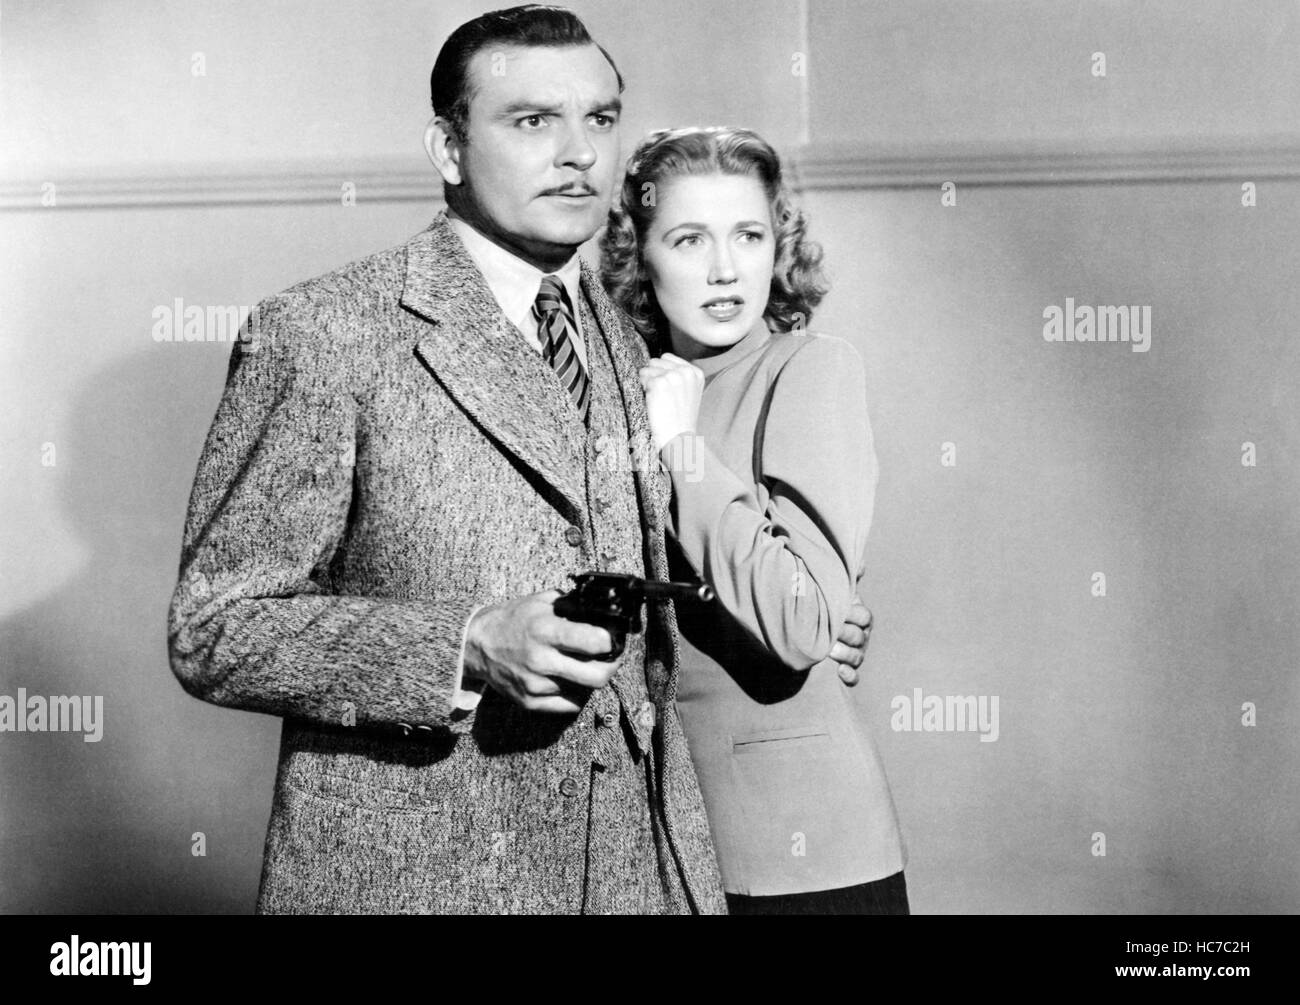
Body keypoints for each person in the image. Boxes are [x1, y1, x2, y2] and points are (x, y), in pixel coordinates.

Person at [167, 7, 869, 914]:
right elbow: (215, 627)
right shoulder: (324, 331)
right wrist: (460, 647)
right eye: (532, 121)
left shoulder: (633, 345)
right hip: (424, 882)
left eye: (601, 120)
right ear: (448, 149)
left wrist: (816, 606)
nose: (579, 153)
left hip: (636, 876)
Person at [601, 126, 910, 914]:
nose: (725, 267)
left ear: (779, 248)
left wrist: (682, 450)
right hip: (646, 840)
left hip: (796, 853)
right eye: (688, 238)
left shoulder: (809, 369)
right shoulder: (613, 394)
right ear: (642, 256)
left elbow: (801, 618)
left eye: (748, 234)